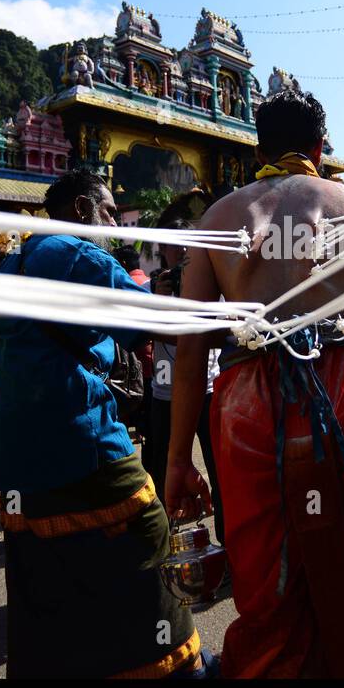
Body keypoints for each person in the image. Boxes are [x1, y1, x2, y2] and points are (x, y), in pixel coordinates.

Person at [165, 87, 344, 678]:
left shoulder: (218, 220)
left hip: (249, 404)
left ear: (259, 150)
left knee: (268, 583)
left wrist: (177, 459)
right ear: (320, 147)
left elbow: (190, 346)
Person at [0, 168, 208, 679]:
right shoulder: (79, 252)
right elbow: (162, 323)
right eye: (106, 212)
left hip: (14, 459)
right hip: (78, 437)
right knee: (148, 530)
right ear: (81, 210)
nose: (110, 224)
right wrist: (235, 315)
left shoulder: (11, 266)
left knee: (47, 576)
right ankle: (178, 667)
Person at [143, 217, 224, 542]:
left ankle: (229, 546)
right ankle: (167, 544)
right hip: (164, 395)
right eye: (171, 245)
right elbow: (140, 331)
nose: (179, 252)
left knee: (221, 475)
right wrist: (159, 303)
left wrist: (184, 333)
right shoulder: (152, 287)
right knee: (160, 471)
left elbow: (222, 333)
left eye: (186, 245)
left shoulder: (210, 282)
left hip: (209, 390)